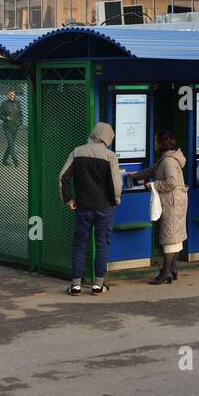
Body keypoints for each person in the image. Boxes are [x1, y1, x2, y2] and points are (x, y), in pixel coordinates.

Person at [58, 122, 122, 295]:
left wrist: (68, 199)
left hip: (83, 206)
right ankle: (98, 285)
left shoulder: (77, 152)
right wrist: (116, 199)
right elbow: (116, 185)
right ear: (108, 138)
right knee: (102, 244)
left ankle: (76, 285)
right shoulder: (110, 156)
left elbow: (63, 177)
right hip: (104, 206)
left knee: (80, 244)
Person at [132, 130, 188, 285]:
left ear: (161, 143)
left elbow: (171, 182)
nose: (154, 143)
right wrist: (135, 176)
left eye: (156, 140)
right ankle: (173, 269)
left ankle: (165, 272)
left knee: (170, 237)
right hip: (176, 201)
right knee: (175, 236)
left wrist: (152, 185)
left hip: (172, 202)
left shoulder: (168, 161)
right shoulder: (167, 159)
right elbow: (153, 169)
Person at [0, 90, 23, 167]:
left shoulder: (17, 103)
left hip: (15, 127)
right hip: (7, 127)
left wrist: (20, 122)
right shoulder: (4, 104)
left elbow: (21, 114)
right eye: (10, 94)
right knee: (11, 144)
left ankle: (4, 160)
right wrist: (6, 118)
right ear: (8, 95)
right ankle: (15, 161)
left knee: (10, 144)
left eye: (13, 94)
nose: (11, 96)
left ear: (15, 95)